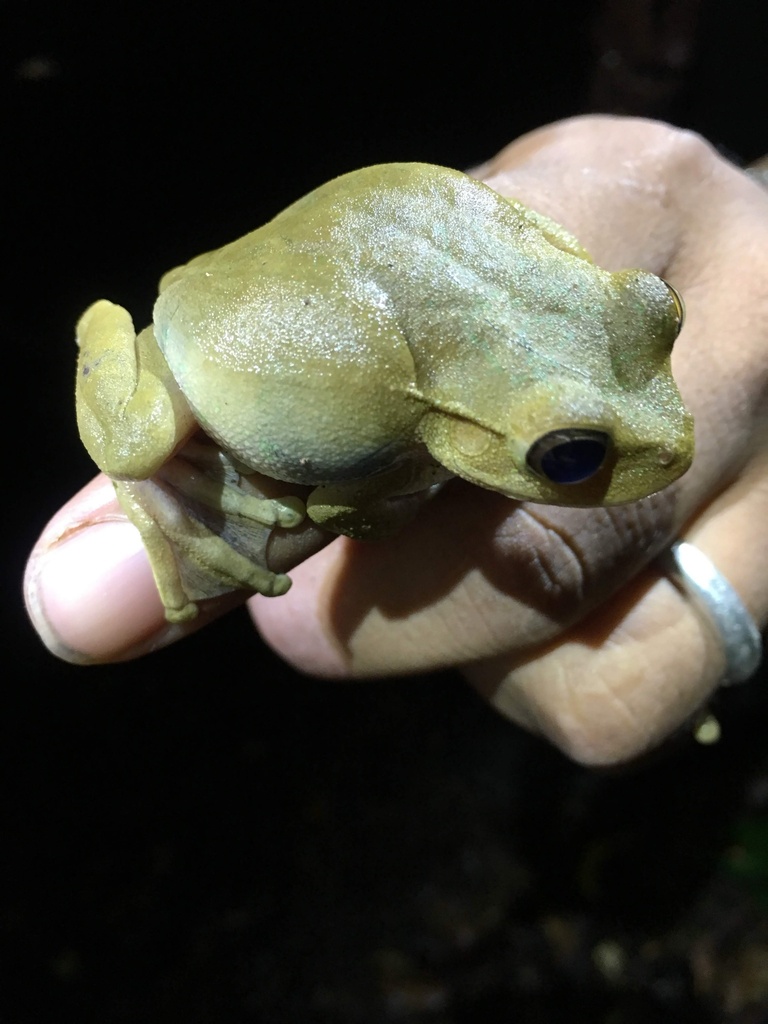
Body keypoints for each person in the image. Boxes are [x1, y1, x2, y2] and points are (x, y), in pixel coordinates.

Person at [24, 116, 768, 766]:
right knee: (137, 447)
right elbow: (351, 509)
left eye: (653, 319)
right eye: (571, 453)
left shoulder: (535, 279)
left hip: (283, 252)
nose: (672, 436)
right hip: (202, 339)